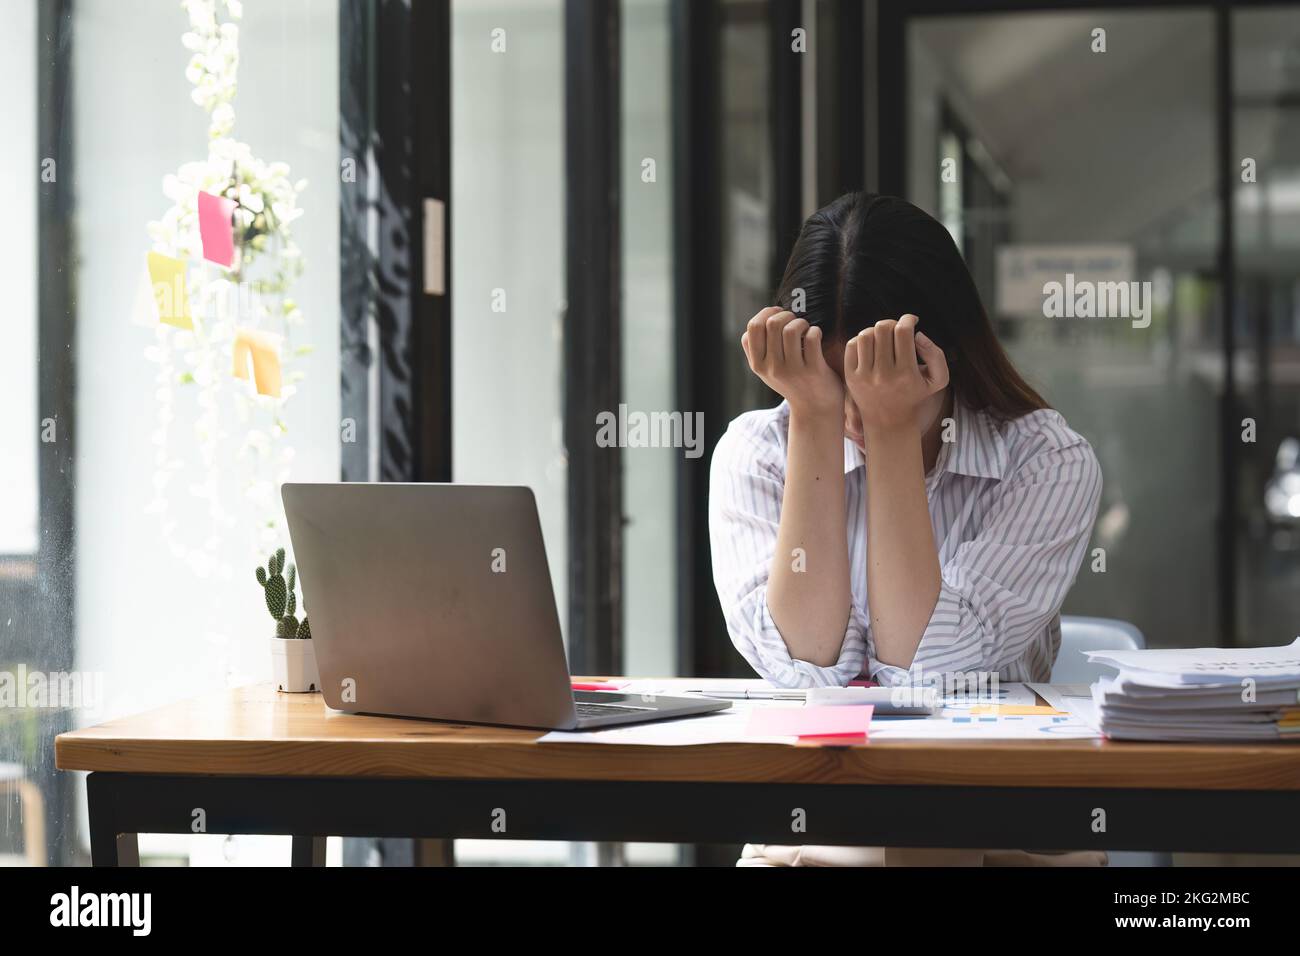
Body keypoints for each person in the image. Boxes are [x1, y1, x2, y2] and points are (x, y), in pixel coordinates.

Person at [708, 193, 1104, 867]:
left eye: (884, 376)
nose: (856, 409)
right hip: (816, 834)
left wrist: (891, 433)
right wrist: (811, 418)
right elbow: (800, 663)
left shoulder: (1047, 462)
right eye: (834, 381)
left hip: (1001, 834)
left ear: (946, 354)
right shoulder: (760, 452)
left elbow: (929, 667)